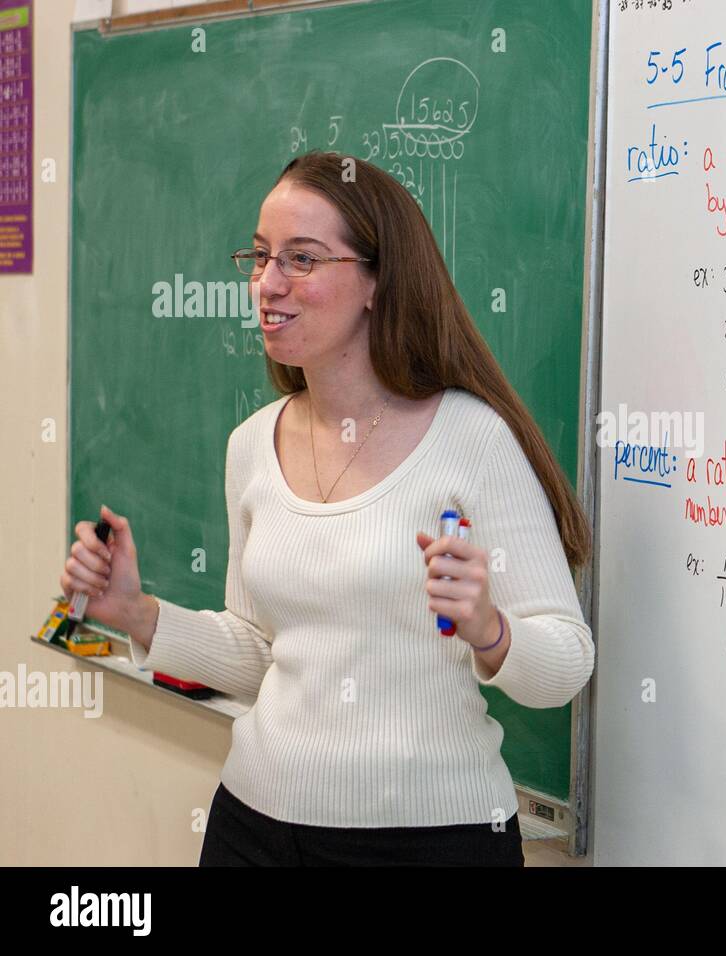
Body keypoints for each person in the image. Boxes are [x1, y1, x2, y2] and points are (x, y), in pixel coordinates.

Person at [59, 151, 595, 866]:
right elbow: (262, 654)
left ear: (377, 281)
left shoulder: (472, 438)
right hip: (252, 827)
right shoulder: (252, 444)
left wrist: (490, 629)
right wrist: (136, 613)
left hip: (428, 842)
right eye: (259, 256)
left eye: (302, 259)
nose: (267, 283)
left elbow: (567, 663)